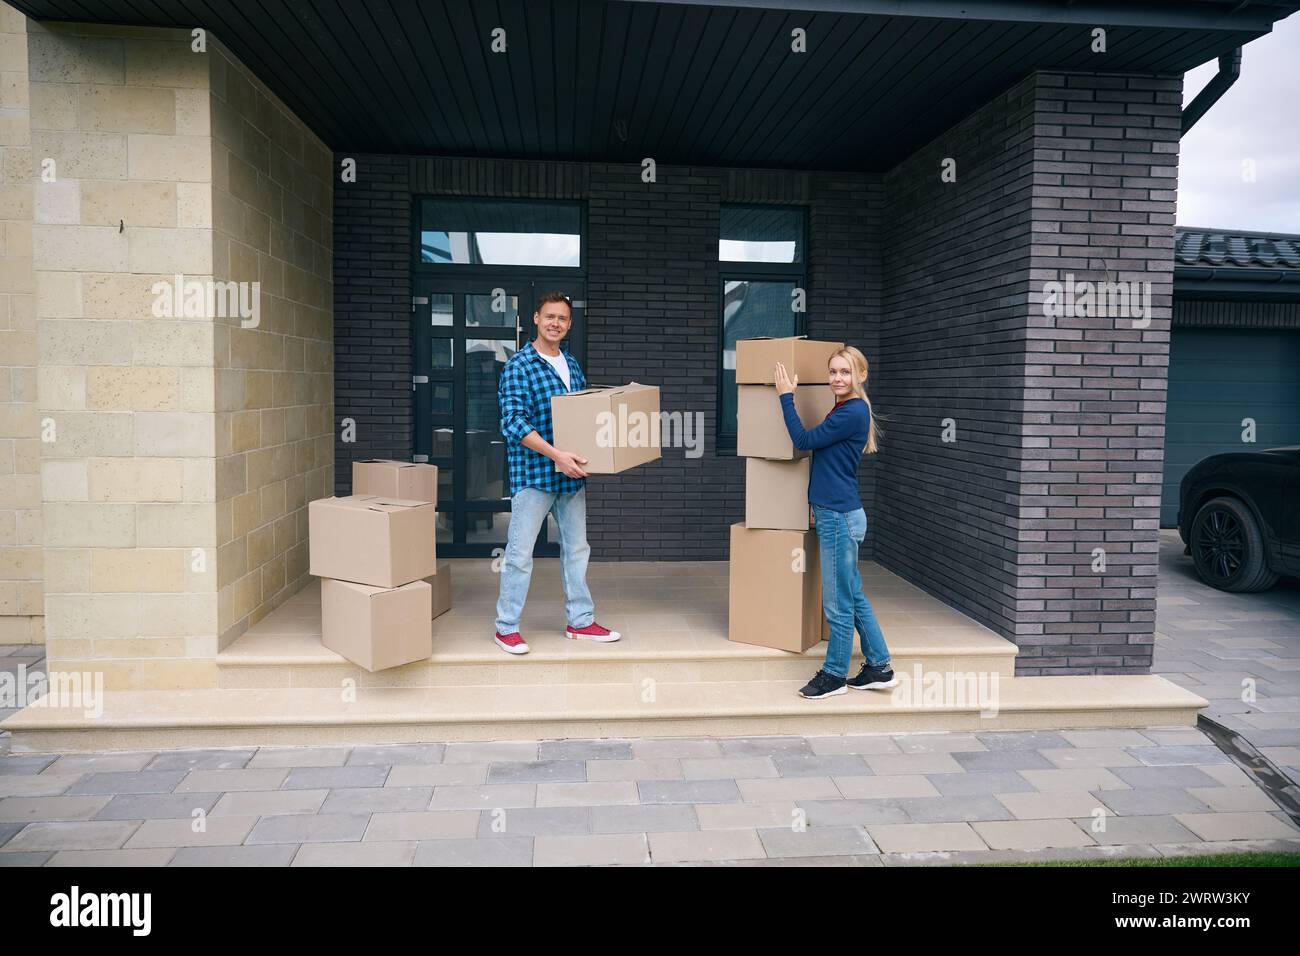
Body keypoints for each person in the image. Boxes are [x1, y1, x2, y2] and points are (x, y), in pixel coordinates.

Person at [493, 291, 621, 655]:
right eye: (549, 316)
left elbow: (581, 416)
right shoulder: (519, 366)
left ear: (569, 324)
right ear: (536, 318)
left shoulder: (573, 365)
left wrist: (588, 455)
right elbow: (513, 423)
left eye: (562, 319)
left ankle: (580, 622)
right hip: (534, 475)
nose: (556, 324)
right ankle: (506, 627)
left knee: (577, 549)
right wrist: (556, 455)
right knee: (519, 554)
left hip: (571, 476)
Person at [774, 346, 897, 699]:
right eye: (833, 372)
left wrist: (786, 397)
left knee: (837, 601)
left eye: (845, 372)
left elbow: (803, 441)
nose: (837, 378)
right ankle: (879, 666)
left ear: (861, 375)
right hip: (839, 513)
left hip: (841, 518)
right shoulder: (846, 408)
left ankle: (834, 675)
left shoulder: (852, 411)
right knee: (852, 595)